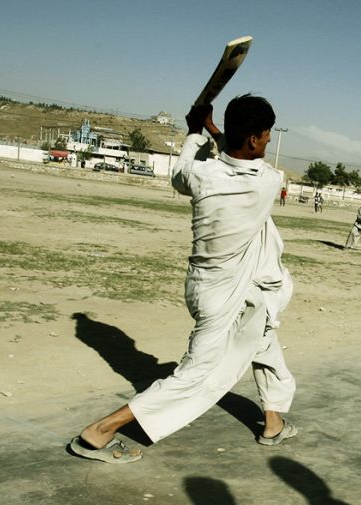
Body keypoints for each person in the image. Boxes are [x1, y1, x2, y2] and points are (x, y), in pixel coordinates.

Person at [67, 95, 297, 464]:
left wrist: (197, 129)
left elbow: (198, 165)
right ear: (254, 139)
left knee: (262, 336)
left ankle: (273, 421)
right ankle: (99, 432)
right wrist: (208, 128)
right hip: (226, 296)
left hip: (208, 285)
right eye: (267, 136)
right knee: (195, 376)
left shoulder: (197, 175)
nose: (269, 142)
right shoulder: (267, 182)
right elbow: (238, 156)